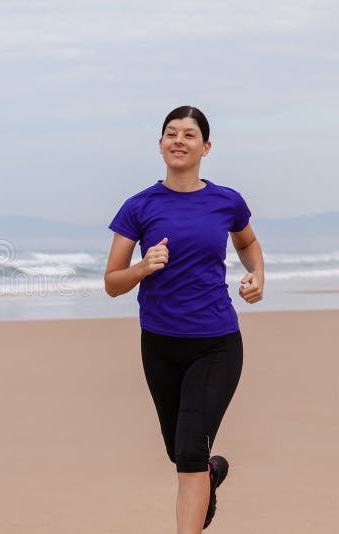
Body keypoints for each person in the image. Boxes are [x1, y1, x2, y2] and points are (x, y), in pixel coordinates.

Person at [103, 105, 265, 532]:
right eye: (171, 133)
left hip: (216, 342)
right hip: (159, 344)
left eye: (189, 135)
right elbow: (113, 282)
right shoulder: (138, 206)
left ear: (205, 147)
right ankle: (210, 476)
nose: (179, 140)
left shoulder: (226, 201)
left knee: (189, 451)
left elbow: (248, 243)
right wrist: (142, 267)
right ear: (160, 145)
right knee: (180, 453)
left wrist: (258, 274)